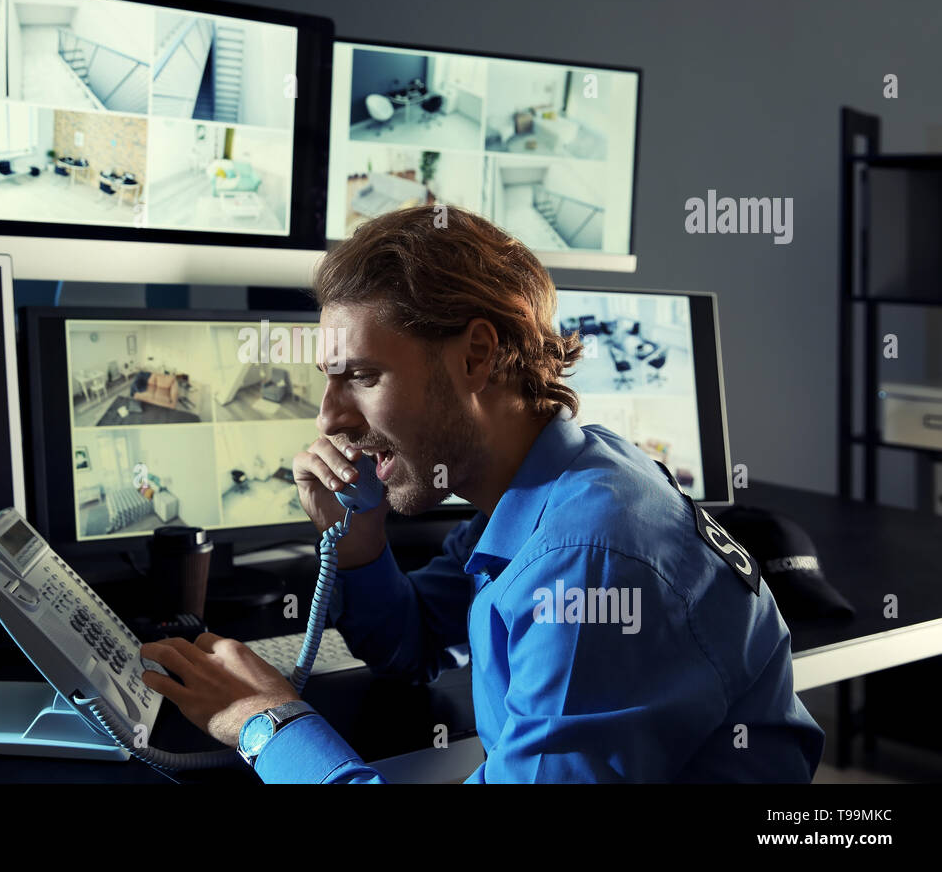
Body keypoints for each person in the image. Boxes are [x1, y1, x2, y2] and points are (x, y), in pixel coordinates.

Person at [140, 205, 824, 783]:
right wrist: (358, 545)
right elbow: (414, 644)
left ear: (476, 355)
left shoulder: (588, 557)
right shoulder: (554, 480)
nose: (329, 418)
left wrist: (266, 721)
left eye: (364, 376)